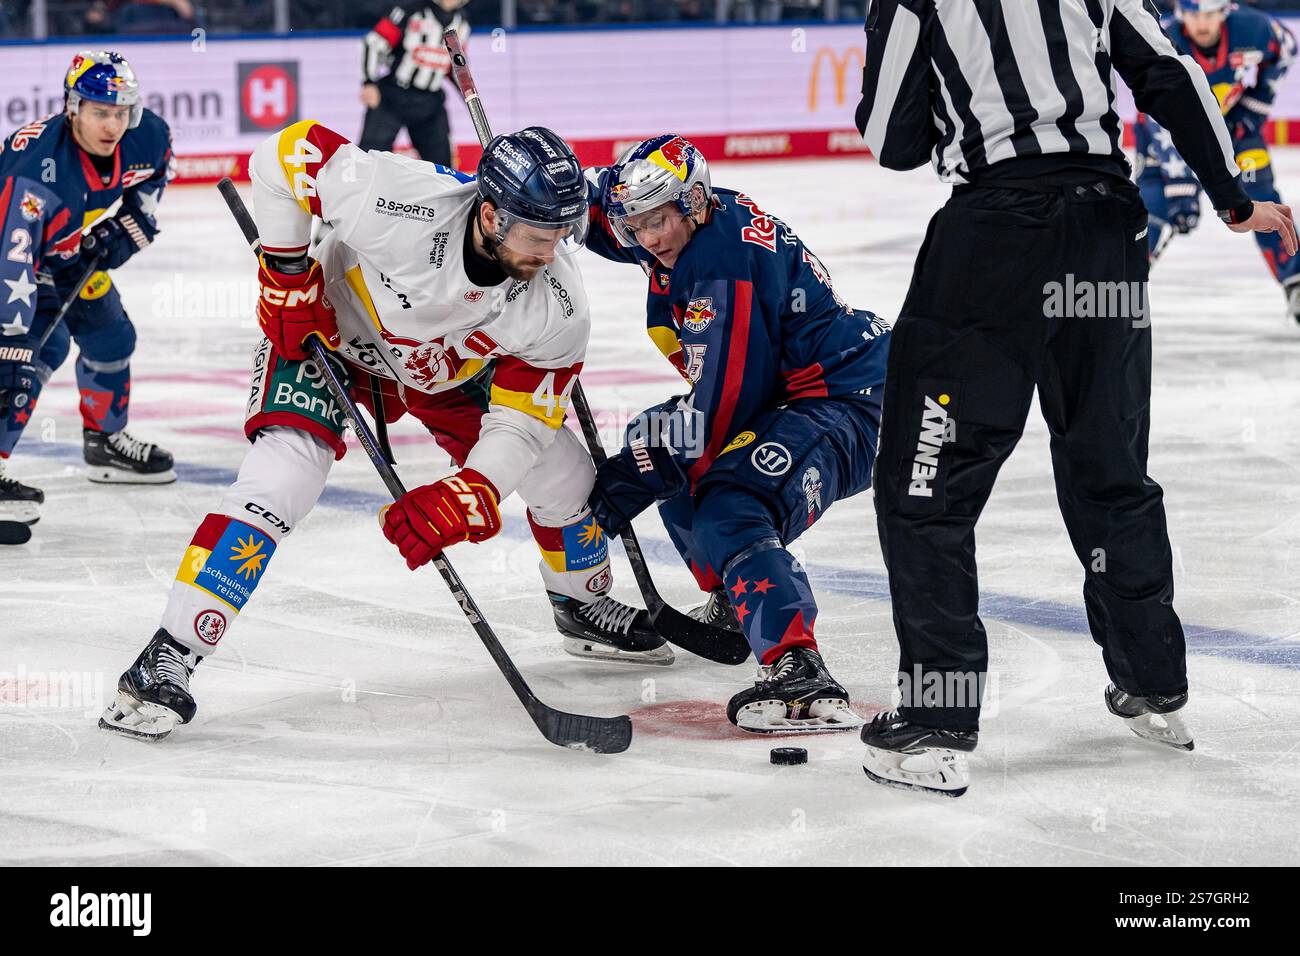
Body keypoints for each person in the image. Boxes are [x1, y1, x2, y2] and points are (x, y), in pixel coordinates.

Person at [99, 123, 671, 741]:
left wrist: (475, 488)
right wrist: (286, 272)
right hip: (329, 335)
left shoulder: (557, 301)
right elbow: (282, 155)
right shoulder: (400, 200)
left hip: (445, 367)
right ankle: (170, 652)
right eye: (538, 236)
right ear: (489, 216)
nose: (550, 251)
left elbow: (526, 418)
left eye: (563, 234)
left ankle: (578, 603)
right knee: (284, 477)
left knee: (566, 477)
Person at [857, 0, 1296, 796]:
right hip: (1105, 234)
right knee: (1110, 468)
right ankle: (1153, 680)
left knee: (927, 485)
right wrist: (1232, 197)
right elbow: (1171, 73)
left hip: (993, 240)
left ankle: (939, 716)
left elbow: (891, 138)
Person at [583, 135, 891, 734]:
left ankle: (798, 665)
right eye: (636, 224)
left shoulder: (721, 266)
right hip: (793, 394)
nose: (648, 238)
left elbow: (726, 400)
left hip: (850, 404)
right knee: (657, 436)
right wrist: (553, 202)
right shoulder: (687, 227)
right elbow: (603, 213)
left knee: (729, 504)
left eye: (659, 220)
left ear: (694, 202)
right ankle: (736, 597)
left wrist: (648, 469)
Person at [0, 51, 176, 537]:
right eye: (100, 112)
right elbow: (11, 261)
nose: (113, 124)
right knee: (26, 356)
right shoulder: (35, 172)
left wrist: (120, 233)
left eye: (122, 112)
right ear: (72, 108)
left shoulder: (147, 136)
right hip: (12, 253)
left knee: (111, 337)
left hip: (63, 247)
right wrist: (10, 335)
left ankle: (105, 442)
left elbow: (155, 179)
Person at [1135, 0, 1299, 322]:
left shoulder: (1253, 28)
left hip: (1233, 132)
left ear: (1226, 10)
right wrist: (1180, 188)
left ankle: (1297, 281)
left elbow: (1287, 47)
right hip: (1165, 132)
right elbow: (1159, 119)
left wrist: (1255, 105)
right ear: (1180, 13)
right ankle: (1116, 293)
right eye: (1193, 13)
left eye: (1210, 13)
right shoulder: (1163, 39)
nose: (1202, 23)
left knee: (1262, 197)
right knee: (1149, 210)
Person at [359, 1, 470, 167]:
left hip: (429, 102)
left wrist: (469, 96)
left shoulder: (461, 22)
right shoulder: (410, 10)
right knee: (369, 158)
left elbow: (456, 67)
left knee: (442, 166)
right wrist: (369, 82)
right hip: (393, 96)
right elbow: (373, 43)